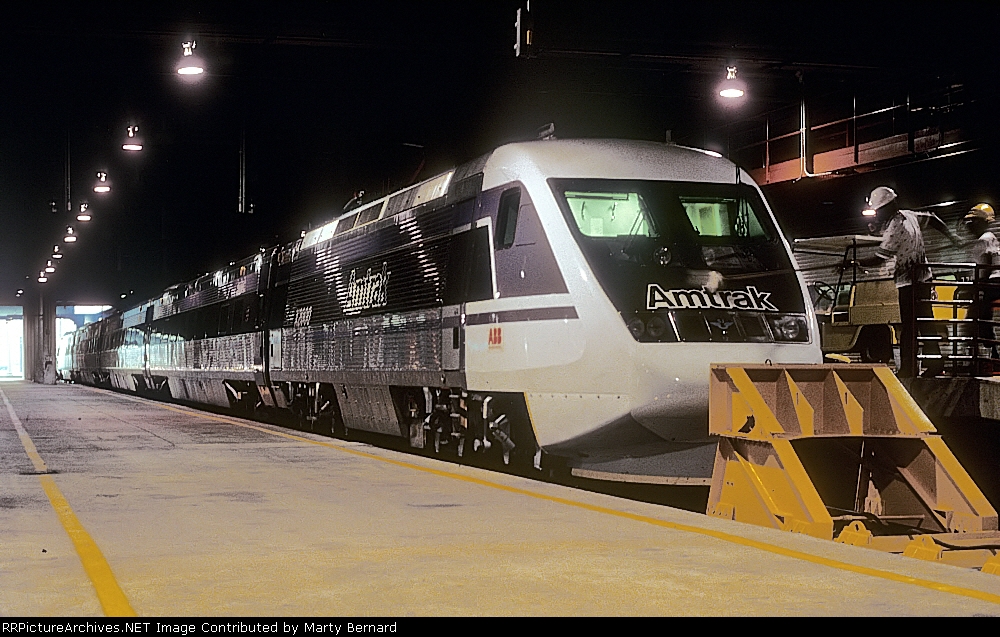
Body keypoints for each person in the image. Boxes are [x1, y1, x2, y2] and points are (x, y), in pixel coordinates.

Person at [856, 186, 962, 377]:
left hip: (908, 283)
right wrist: (952, 236)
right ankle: (935, 364)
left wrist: (854, 263)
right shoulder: (909, 215)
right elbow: (933, 218)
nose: (878, 214)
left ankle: (908, 368)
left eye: (878, 210)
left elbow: (879, 258)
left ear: (886, 207)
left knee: (909, 327)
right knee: (926, 322)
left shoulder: (894, 229)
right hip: (925, 278)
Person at [962, 203, 1000, 366]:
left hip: (990, 284)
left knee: (975, 318)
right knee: (984, 320)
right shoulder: (991, 238)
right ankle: (992, 353)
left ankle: (983, 356)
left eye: (973, 222)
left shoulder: (983, 240)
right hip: (993, 283)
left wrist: (978, 288)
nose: (969, 226)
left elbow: (984, 266)